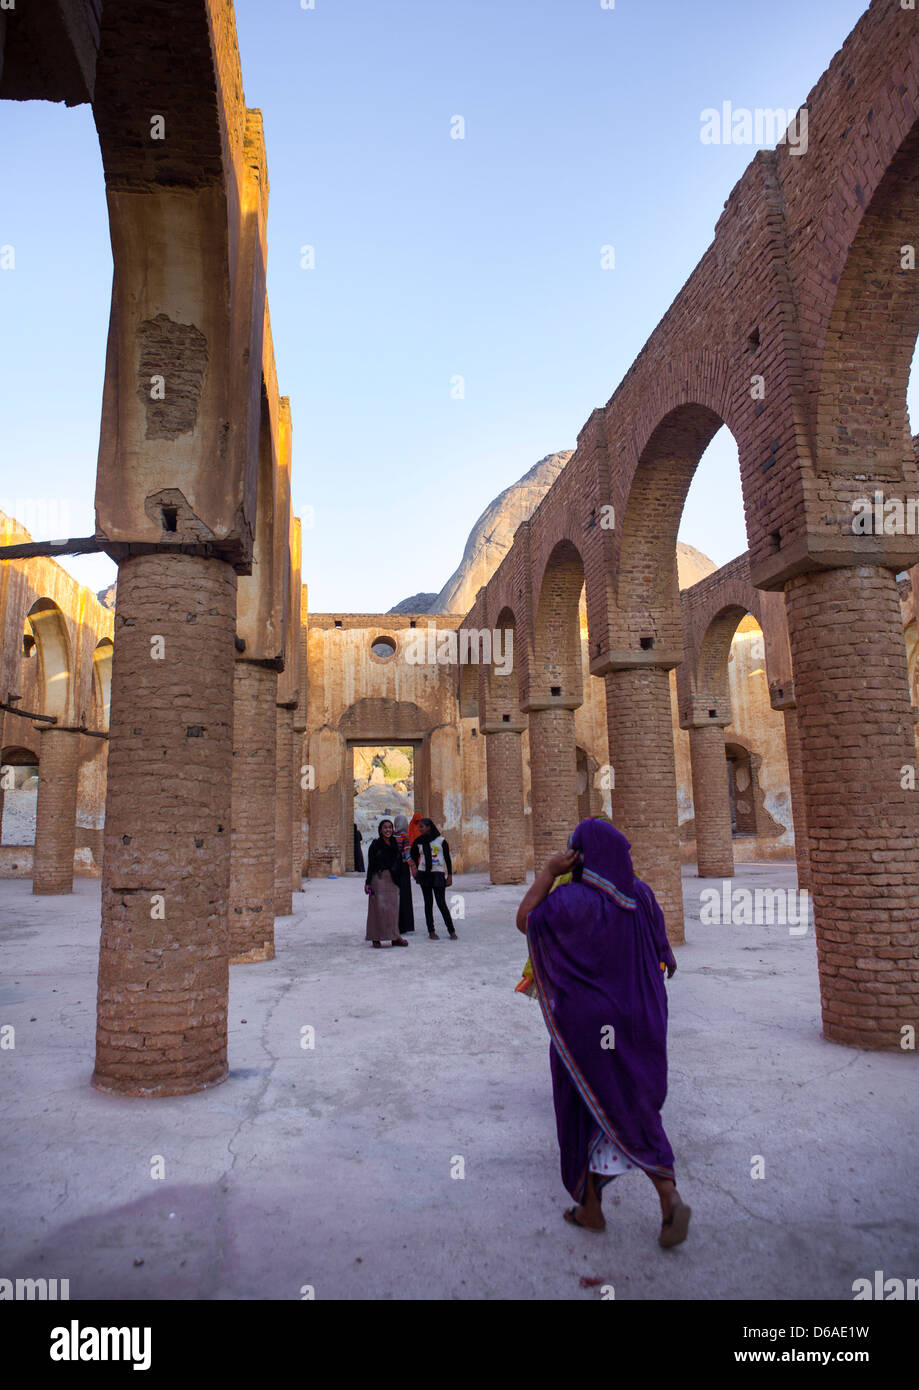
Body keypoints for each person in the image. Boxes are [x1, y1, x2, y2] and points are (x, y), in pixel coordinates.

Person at [515, 817, 689, 1248]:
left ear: (579, 854)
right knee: (633, 1107)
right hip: (641, 1019)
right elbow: (663, 951)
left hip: (587, 1027)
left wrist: (548, 873)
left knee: (582, 1108)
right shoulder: (642, 896)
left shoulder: (570, 900)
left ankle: (593, 1208)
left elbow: (526, 921)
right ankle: (664, 1197)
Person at [410, 818, 457, 941]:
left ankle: (451, 930)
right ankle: (431, 931)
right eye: (419, 827)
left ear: (429, 827)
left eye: (422, 827)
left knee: (441, 903)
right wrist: (414, 868)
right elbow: (412, 856)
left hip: (437, 874)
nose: (420, 829)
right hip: (424, 875)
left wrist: (450, 875)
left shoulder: (441, 841)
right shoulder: (418, 842)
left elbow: (447, 858)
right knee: (428, 903)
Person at [364, 819, 409, 948]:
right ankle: (375, 937)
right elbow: (371, 865)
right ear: (380, 830)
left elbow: (400, 861)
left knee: (393, 910)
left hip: (393, 880)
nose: (388, 830)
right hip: (378, 879)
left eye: (390, 827)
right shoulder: (375, 845)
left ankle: (394, 936)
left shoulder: (395, 844)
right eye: (385, 828)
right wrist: (368, 882)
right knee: (377, 909)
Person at [392, 813, 415, 934]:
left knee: (395, 895)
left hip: (393, 868)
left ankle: (394, 924)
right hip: (403, 868)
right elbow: (407, 854)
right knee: (405, 896)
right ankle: (405, 925)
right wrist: (413, 867)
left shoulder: (391, 836)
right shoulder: (404, 836)